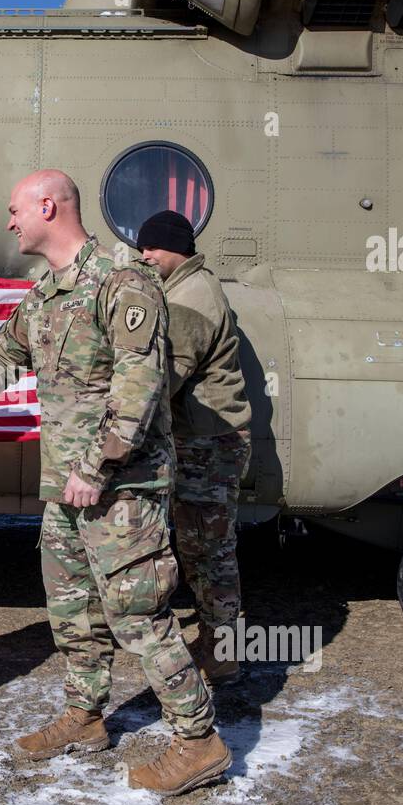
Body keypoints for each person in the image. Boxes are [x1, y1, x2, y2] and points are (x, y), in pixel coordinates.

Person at [0, 171, 231, 796]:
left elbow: (141, 383)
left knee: (140, 615)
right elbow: (1, 362)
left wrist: (97, 467)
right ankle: (85, 716)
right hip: (63, 492)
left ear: (48, 207)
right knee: (73, 612)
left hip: (119, 488)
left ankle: (198, 739)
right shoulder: (44, 296)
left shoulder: (124, 281)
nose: (9, 221)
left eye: (15, 209)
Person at [137, 211, 252, 686]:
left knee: (208, 550)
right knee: (201, 546)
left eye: (150, 249)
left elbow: (165, 377)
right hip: (204, 441)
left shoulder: (191, 297)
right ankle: (215, 643)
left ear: (174, 248)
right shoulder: (185, 288)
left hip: (209, 444)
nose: (143, 256)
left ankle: (222, 653)